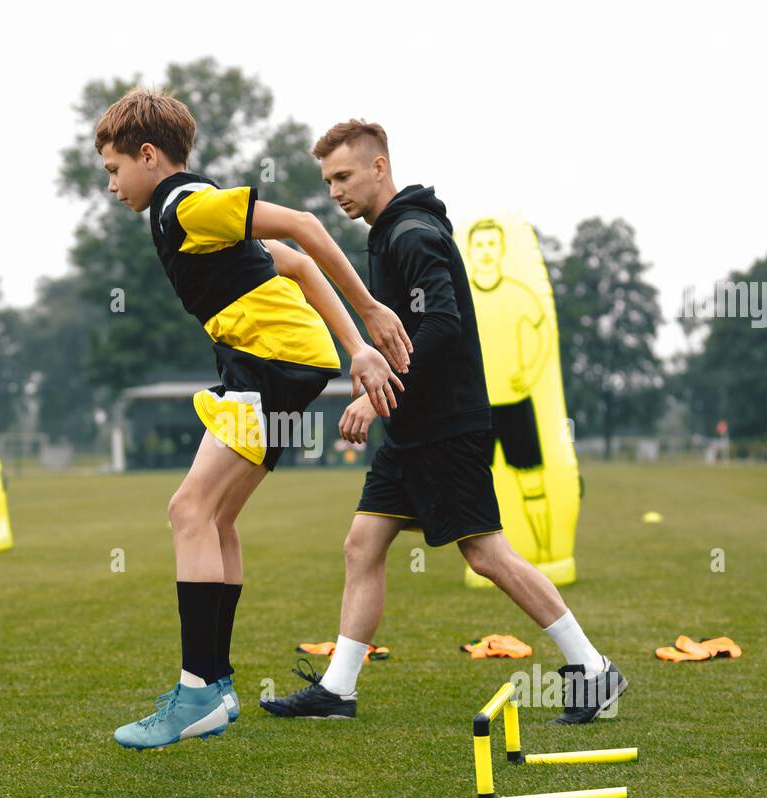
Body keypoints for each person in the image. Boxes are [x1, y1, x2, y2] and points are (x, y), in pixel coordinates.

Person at [260, 120, 626, 724]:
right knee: (363, 544)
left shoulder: (411, 233)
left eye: (344, 177)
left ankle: (592, 669)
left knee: (486, 554)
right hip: (411, 429)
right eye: (327, 182)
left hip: (446, 428)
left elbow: (444, 324)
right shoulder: (388, 233)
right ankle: (338, 690)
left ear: (380, 167)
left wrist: (377, 390)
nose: (335, 192)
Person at [94, 90, 412, 749]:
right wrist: (352, 348)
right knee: (213, 518)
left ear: (149, 156)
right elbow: (290, 265)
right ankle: (215, 687)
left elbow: (304, 228)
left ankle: (197, 693)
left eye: (113, 168)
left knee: (189, 511)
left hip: (267, 363)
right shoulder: (185, 214)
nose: (111, 184)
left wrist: (370, 322)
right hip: (271, 364)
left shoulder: (184, 203)